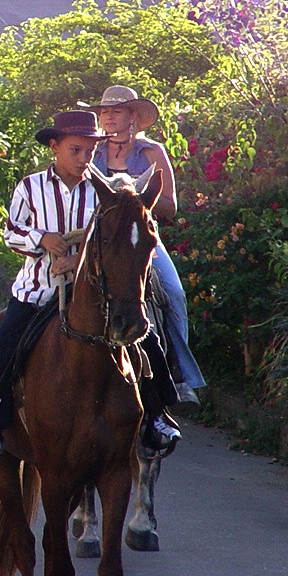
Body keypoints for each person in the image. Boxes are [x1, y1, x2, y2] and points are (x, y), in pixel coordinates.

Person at [0, 110, 181, 464]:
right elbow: (11, 232)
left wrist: (78, 264)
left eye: (90, 152)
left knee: (144, 337)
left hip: (93, 295)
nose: (84, 159)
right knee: (4, 344)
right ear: (54, 146)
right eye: (75, 150)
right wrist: (42, 238)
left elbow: (119, 243)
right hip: (38, 289)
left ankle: (157, 414)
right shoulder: (30, 187)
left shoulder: (107, 192)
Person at [84, 85, 206, 401]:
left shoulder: (152, 152)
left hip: (139, 240)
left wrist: (135, 199)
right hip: (95, 237)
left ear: (133, 116)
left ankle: (180, 375)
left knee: (174, 294)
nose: (109, 116)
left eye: (117, 110)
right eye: (105, 111)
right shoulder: (90, 152)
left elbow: (170, 205)